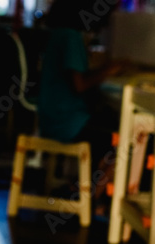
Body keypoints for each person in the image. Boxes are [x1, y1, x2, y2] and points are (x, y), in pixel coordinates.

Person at [38, 0, 122, 166]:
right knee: (122, 134)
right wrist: (108, 70)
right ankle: (92, 190)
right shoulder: (71, 36)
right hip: (67, 124)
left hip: (52, 120)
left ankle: (81, 186)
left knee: (112, 122)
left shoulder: (60, 34)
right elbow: (80, 85)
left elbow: (75, 77)